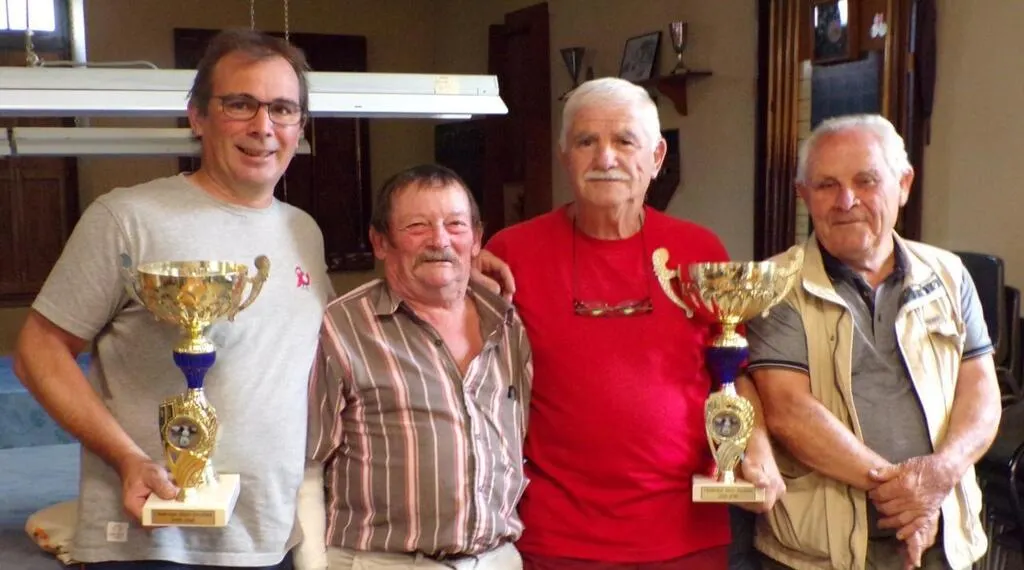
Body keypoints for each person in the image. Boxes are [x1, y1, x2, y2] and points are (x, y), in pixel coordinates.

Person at [13, 29, 332, 568]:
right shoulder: (127, 219)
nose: (263, 127)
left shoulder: (304, 231)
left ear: (299, 126)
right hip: (153, 540)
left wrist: (472, 271)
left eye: (282, 109)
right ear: (198, 117)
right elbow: (37, 351)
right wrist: (127, 458)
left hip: (268, 537)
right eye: (240, 104)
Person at [484, 77, 785, 570]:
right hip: (557, 538)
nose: (605, 158)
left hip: (685, 534)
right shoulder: (511, 253)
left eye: (624, 141)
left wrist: (757, 448)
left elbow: (733, 372)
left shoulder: (700, 253)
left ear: (657, 156)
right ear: (565, 155)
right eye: (586, 141)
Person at [746, 114, 1000, 570]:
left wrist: (940, 474)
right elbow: (789, 411)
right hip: (820, 554)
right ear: (803, 195)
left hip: (947, 543)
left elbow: (981, 391)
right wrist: (908, 495)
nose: (846, 201)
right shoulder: (773, 284)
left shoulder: (949, 275)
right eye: (825, 185)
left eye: (866, 181)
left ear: (903, 184)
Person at [304, 164, 532, 570]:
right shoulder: (341, 329)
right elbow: (306, 469)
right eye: (417, 226)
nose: (440, 240)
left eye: (455, 225)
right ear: (380, 241)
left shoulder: (508, 326)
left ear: (477, 238)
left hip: (498, 561)